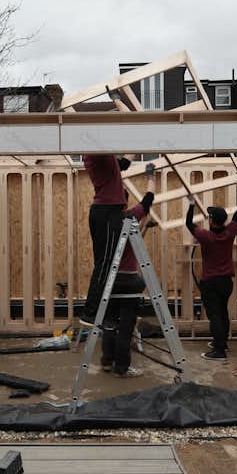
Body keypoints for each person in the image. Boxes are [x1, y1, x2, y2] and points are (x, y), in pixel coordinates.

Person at [100, 164, 155, 378]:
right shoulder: (130, 216)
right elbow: (148, 199)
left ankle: (106, 361)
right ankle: (121, 367)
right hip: (128, 280)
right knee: (126, 324)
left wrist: (143, 229)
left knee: (110, 322)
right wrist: (151, 176)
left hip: (109, 279)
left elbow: (129, 241)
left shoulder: (103, 222)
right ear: (123, 201)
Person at [185, 175, 237, 360]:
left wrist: (191, 204)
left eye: (209, 217)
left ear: (211, 221)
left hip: (210, 283)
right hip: (226, 282)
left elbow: (189, 224)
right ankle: (222, 344)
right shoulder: (229, 232)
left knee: (215, 316)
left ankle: (219, 351)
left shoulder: (206, 236)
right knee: (222, 313)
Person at [80, 153, 132, 326]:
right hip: (108, 212)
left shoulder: (104, 157)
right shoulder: (97, 153)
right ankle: (90, 312)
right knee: (106, 264)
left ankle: (100, 311)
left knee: (104, 264)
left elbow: (123, 164)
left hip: (106, 210)